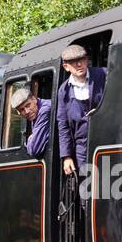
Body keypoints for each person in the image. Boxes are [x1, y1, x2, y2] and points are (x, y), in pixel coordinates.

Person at [55, 43, 106, 177]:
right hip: (81, 146)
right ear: (66, 67)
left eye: (81, 60)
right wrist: (66, 156)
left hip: (106, 138)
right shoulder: (63, 91)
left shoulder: (103, 75)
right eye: (73, 62)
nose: (79, 64)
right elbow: (63, 125)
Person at [9, 85, 51, 158]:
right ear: (18, 113)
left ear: (34, 99)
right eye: (22, 110)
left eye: (28, 105)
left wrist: (30, 138)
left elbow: (35, 150)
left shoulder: (44, 110)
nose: (27, 111)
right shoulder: (36, 113)